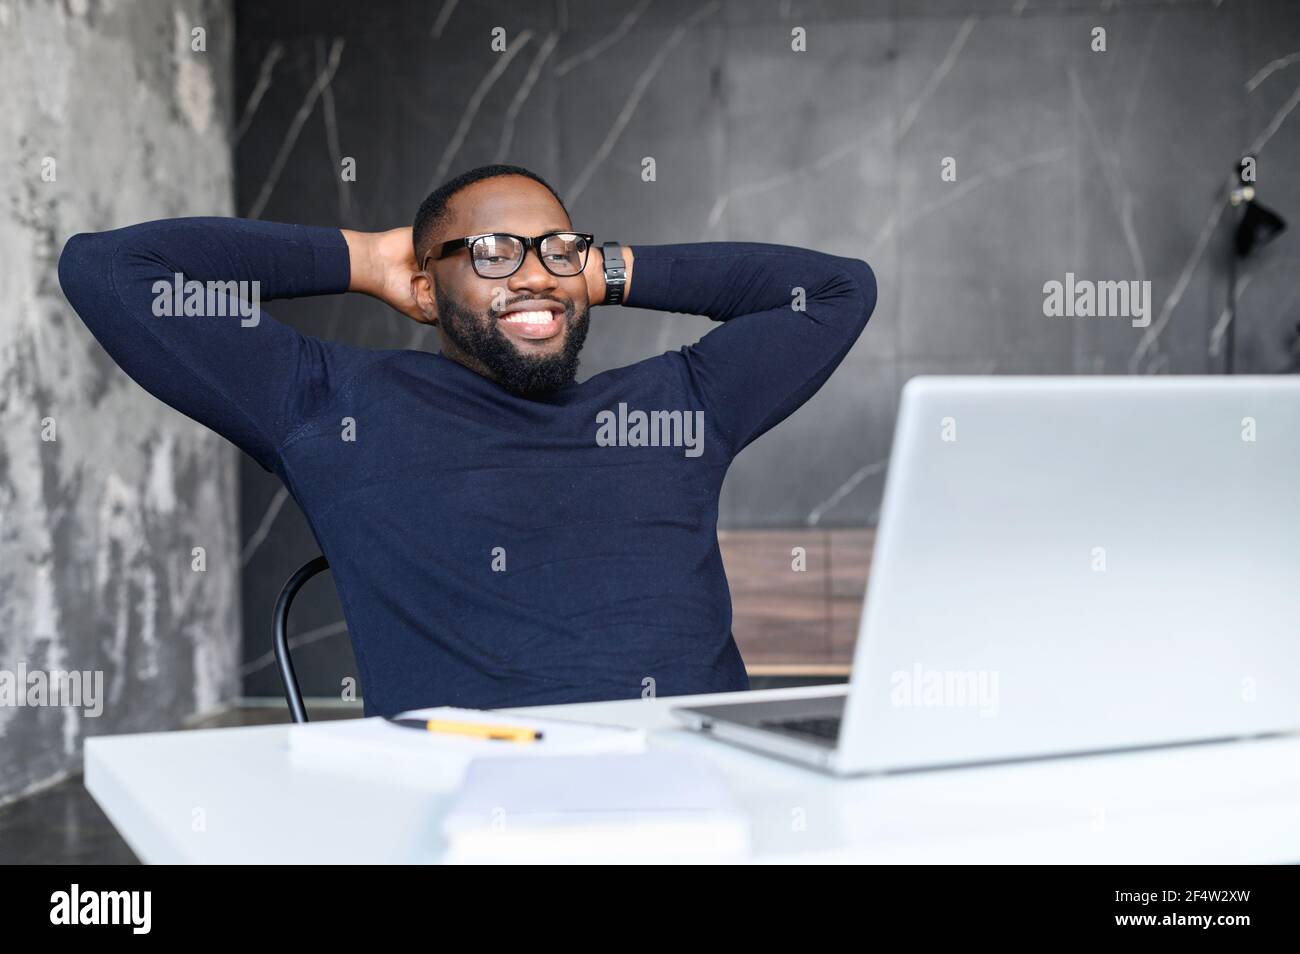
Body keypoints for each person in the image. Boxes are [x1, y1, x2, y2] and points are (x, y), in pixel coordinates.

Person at [58, 163, 877, 716]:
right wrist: (367, 258)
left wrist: (598, 269)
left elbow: (838, 290)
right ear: (424, 284)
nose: (531, 274)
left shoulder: (679, 405)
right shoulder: (328, 405)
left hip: (706, 806)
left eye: (558, 250)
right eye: (488, 253)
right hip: (473, 815)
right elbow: (113, 270)